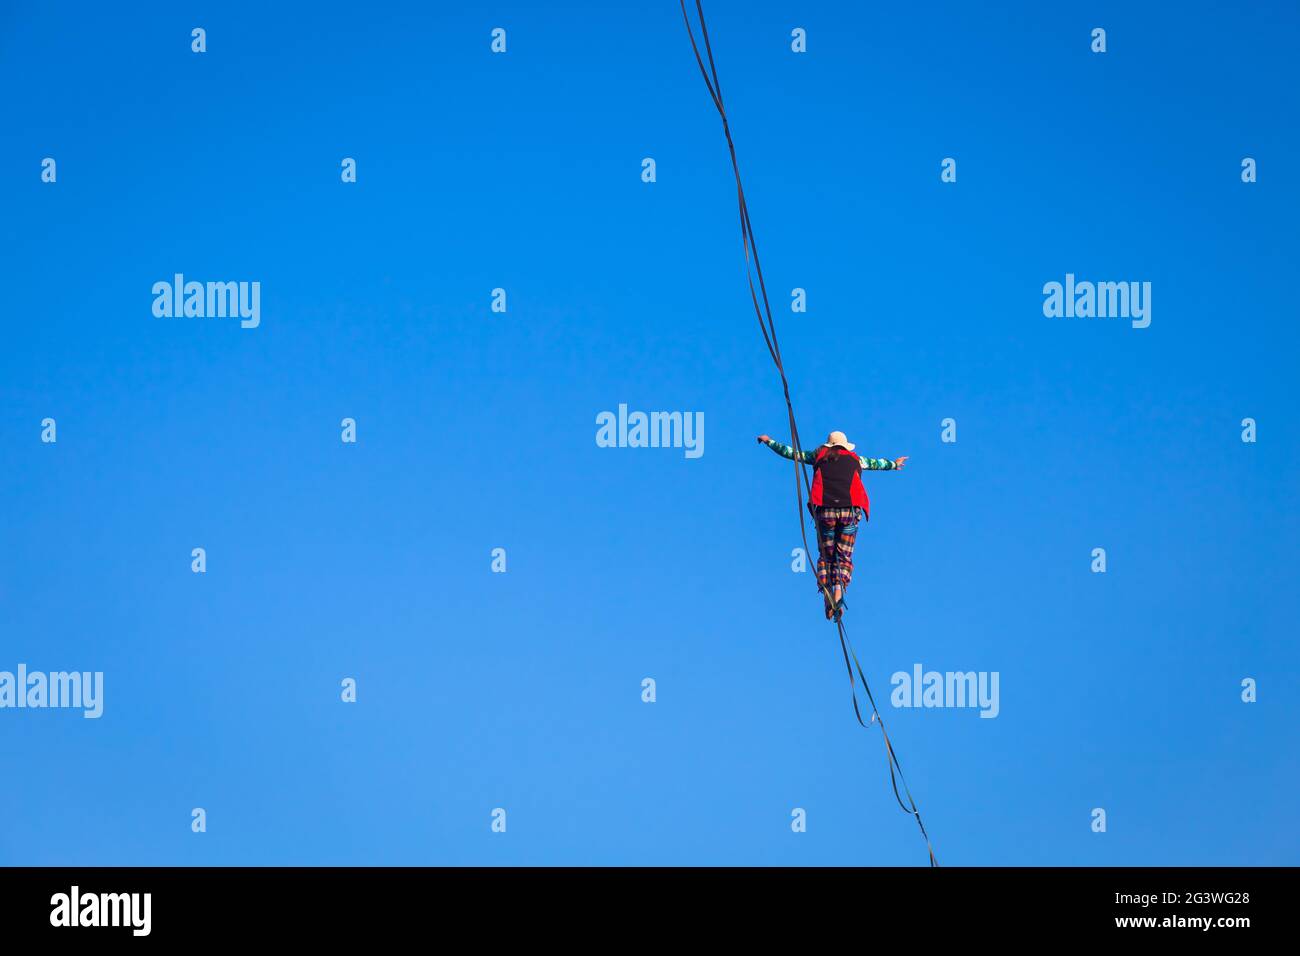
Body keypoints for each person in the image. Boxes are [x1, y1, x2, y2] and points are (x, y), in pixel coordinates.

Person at [756, 431, 906, 620]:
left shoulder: (818, 456)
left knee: (826, 556)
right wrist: (894, 464)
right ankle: (839, 590)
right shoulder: (856, 459)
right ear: (845, 446)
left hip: (825, 510)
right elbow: (878, 464)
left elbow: (791, 453)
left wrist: (769, 442)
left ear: (828, 445)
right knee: (843, 556)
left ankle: (827, 592)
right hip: (849, 511)